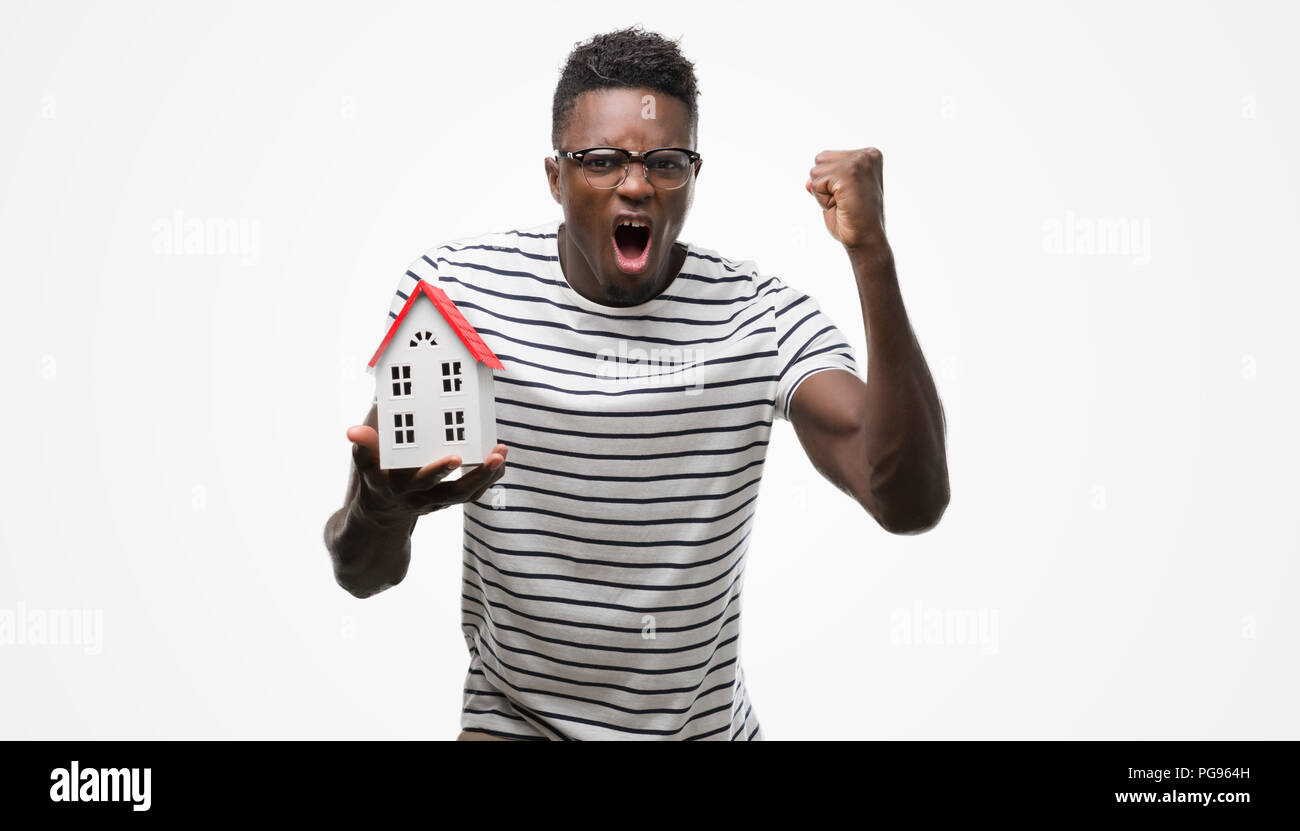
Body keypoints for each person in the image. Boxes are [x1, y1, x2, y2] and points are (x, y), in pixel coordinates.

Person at [323, 26, 949, 741]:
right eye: (600, 160)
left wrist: (872, 254)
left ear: (691, 174)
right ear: (556, 178)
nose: (635, 183)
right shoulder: (462, 298)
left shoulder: (760, 318)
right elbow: (362, 572)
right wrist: (380, 506)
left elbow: (909, 500)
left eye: (665, 161)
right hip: (513, 724)